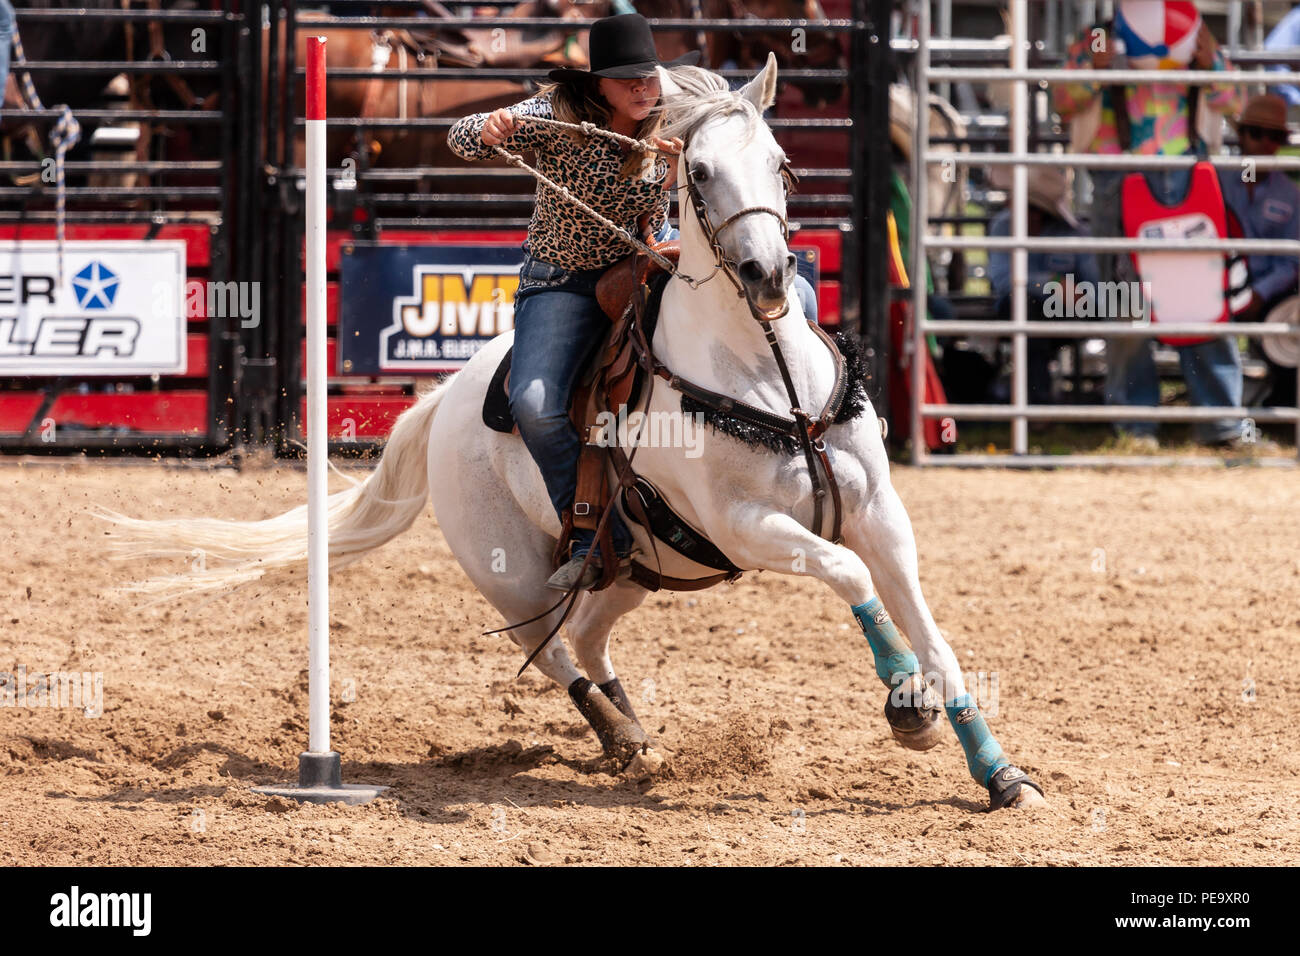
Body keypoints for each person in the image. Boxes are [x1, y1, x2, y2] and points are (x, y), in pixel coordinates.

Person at [449, 14, 819, 592]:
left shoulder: (672, 115)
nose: (645, 92)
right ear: (599, 86)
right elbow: (460, 138)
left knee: (797, 294)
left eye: (649, 79)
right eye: (629, 83)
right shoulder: (553, 118)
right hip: (563, 281)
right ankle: (594, 533)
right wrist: (490, 127)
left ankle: (801, 431)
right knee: (535, 402)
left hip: (650, 261)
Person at [1055, 12, 1244, 447]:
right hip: (1117, 176)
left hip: (1184, 174)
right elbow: (1063, 100)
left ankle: (1222, 424)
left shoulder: (1195, 34)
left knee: (1199, 292)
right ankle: (1135, 425)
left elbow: (1233, 100)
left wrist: (1209, 61)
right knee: (1123, 299)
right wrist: (1096, 70)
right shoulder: (1098, 38)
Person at [986, 165, 1100, 404]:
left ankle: (1036, 400)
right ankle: (1038, 398)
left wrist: (1079, 295)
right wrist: (1054, 284)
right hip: (1030, 308)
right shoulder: (1001, 227)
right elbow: (1004, 281)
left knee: (1026, 310)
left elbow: (1095, 289)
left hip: (1064, 311)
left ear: (1036, 212)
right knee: (1025, 308)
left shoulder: (1074, 235)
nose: (1008, 204)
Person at [1220, 93, 1299, 408]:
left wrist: (1259, 293)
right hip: (1217, 286)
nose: (1265, 143)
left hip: (1269, 294)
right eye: (1256, 133)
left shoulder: (1290, 195)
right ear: (1241, 136)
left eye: (1275, 136)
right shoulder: (1216, 181)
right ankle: (1221, 406)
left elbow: (1291, 262)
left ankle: (1279, 401)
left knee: (1290, 321)